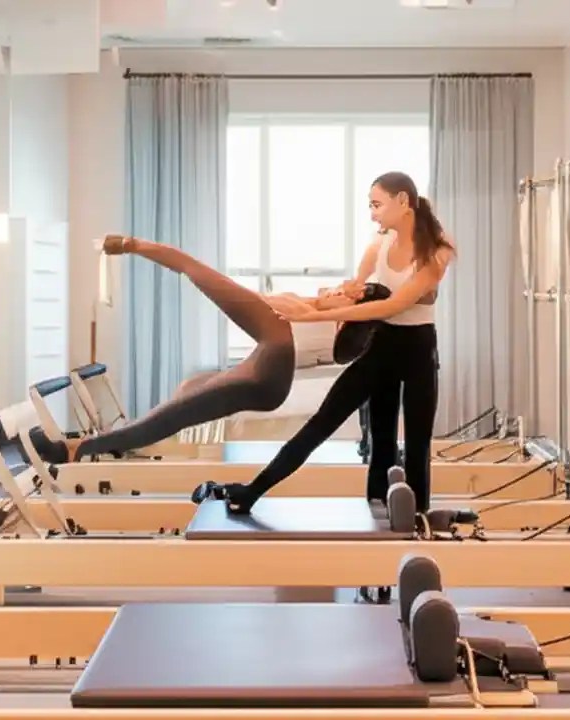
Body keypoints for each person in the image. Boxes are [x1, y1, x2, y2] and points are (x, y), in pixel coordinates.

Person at [209, 171, 454, 515]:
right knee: (331, 424)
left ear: (403, 201)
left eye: (377, 205)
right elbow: (356, 290)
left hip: (418, 350)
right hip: (382, 343)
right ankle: (252, 492)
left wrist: (310, 317)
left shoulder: (437, 252)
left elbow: (392, 305)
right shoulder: (379, 245)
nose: (372, 214)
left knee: (417, 444)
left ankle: (416, 519)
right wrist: (327, 297)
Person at [30, 236, 361, 464]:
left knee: (177, 413)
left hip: (268, 374)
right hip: (264, 361)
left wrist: (130, 245)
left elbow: (192, 268)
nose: (340, 288)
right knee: (189, 390)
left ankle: (74, 449)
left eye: (347, 294)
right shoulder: (303, 303)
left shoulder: (314, 318)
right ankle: (120, 442)